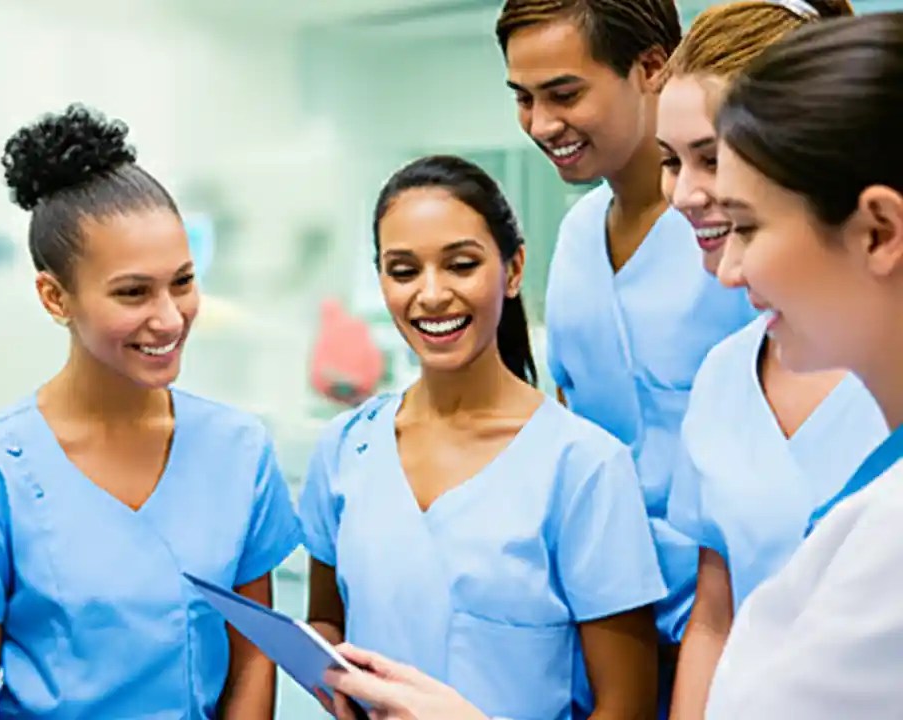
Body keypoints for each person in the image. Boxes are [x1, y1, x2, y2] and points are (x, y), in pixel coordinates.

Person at [322, 12, 903, 720]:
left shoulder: (865, 498)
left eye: (747, 216)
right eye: (672, 161)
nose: (730, 265)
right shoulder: (710, 360)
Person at [0, 104, 303, 720]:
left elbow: (253, 659)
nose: (169, 318)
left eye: (183, 282)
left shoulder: (238, 450)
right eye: (133, 292)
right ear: (55, 296)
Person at [300, 155, 666, 720]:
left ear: (514, 269)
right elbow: (328, 620)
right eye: (403, 271)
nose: (432, 295)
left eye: (461, 265)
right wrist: (335, 683)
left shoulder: (582, 465)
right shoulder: (346, 449)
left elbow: (629, 704)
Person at [497, 0, 757, 652]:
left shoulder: (732, 230)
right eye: (524, 98)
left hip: (733, 618)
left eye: (563, 93)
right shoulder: (578, 235)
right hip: (601, 620)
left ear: (651, 67)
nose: (541, 123)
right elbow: (570, 417)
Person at [652, 2, 886, 718]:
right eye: (668, 161)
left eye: (713, 158)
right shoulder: (726, 375)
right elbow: (714, 619)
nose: (686, 193)